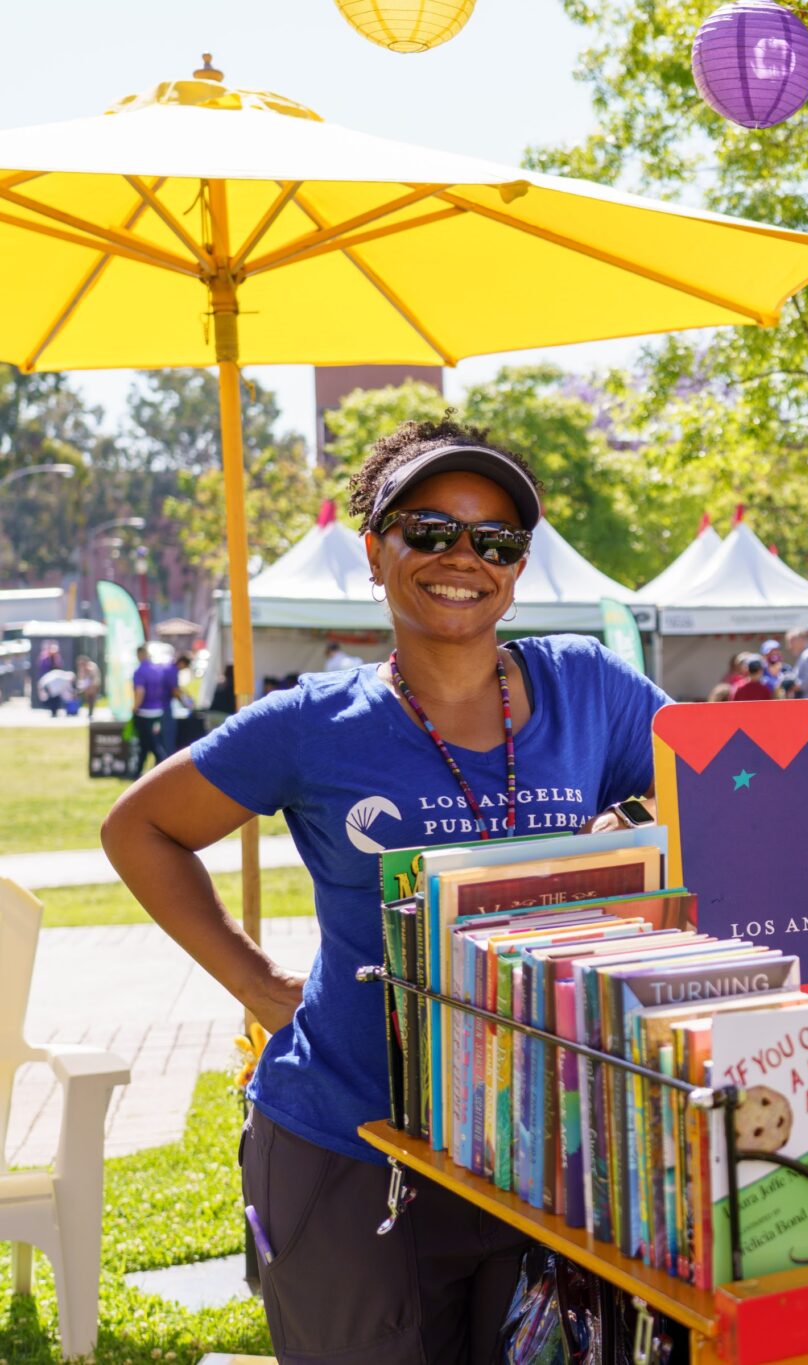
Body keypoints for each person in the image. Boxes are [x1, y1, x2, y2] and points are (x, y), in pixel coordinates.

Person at [101, 419, 672, 1363]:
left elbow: (727, 784)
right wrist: (258, 987)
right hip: (351, 1143)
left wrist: (636, 827)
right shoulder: (310, 723)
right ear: (376, 549)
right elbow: (138, 828)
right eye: (429, 529)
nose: (463, 558)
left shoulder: (591, 688)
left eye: (495, 541)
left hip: (545, 1150)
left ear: (518, 565)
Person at [132, 645, 180, 768]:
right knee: (148, 742)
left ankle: (164, 766)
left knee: (152, 744)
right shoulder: (157, 669)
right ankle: (138, 770)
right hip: (158, 710)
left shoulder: (140, 671)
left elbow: (140, 691)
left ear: (140, 655)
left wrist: (135, 707)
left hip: (144, 711)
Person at [74, 652, 102, 718]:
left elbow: (95, 677)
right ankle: (90, 711)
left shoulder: (92, 666)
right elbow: (80, 678)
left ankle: (91, 712)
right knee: (88, 700)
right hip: (86, 687)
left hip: (93, 686)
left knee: (92, 699)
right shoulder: (81, 669)